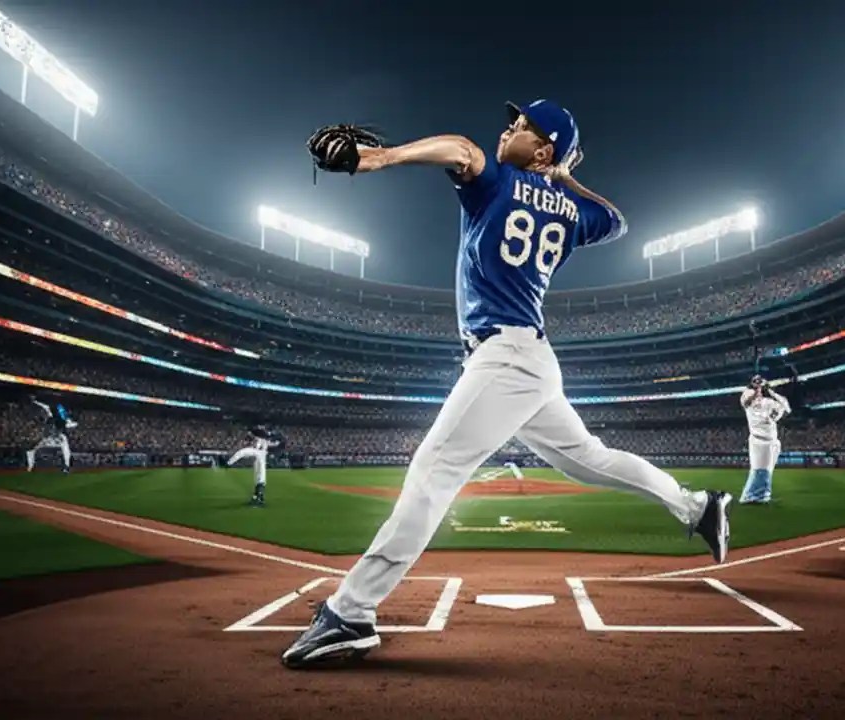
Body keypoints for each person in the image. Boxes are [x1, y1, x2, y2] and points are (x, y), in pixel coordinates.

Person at [282, 100, 732, 668]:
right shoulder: (571, 209)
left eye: (522, 128)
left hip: (506, 357)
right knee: (588, 458)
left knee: (433, 471)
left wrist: (382, 158)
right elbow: (617, 220)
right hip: (531, 359)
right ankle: (698, 507)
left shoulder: (495, 182)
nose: (508, 129)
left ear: (541, 149)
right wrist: (564, 175)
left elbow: (461, 149)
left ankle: (351, 613)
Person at [738, 375, 791, 504]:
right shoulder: (748, 398)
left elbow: (786, 407)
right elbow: (746, 402)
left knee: (767, 470)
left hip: (772, 440)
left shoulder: (767, 402)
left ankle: (763, 496)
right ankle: (750, 497)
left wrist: (772, 391)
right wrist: (755, 390)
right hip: (759, 440)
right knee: (759, 469)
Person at [227, 425, 282, 506]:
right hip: (260, 456)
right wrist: (277, 439)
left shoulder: (261, 440)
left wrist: (229, 463)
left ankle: (258, 498)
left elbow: (243, 451)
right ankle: (258, 498)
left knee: (259, 480)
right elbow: (274, 443)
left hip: (259, 456)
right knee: (260, 480)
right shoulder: (263, 440)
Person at [26, 396, 76, 473]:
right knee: (31, 450)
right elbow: (45, 407)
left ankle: (66, 467)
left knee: (31, 450)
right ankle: (66, 467)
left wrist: (35, 401)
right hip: (52, 438)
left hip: (55, 438)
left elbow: (46, 407)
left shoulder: (60, 416)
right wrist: (35, 401)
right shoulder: (58, 416)